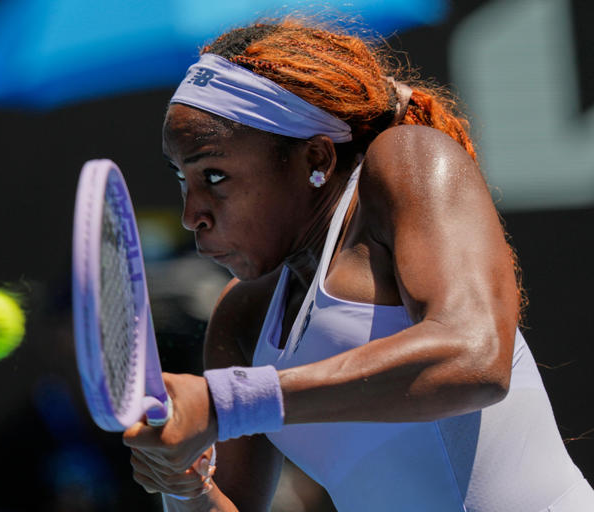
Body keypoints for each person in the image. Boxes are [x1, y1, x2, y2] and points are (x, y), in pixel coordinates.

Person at [122, 18, 594, 511]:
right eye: (182, 179)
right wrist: (186, 485)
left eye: (214, 175)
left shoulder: (407, 160)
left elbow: (474, 357)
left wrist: (228, 403)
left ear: (314, 157)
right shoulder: (242, 319)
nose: (190, 215)